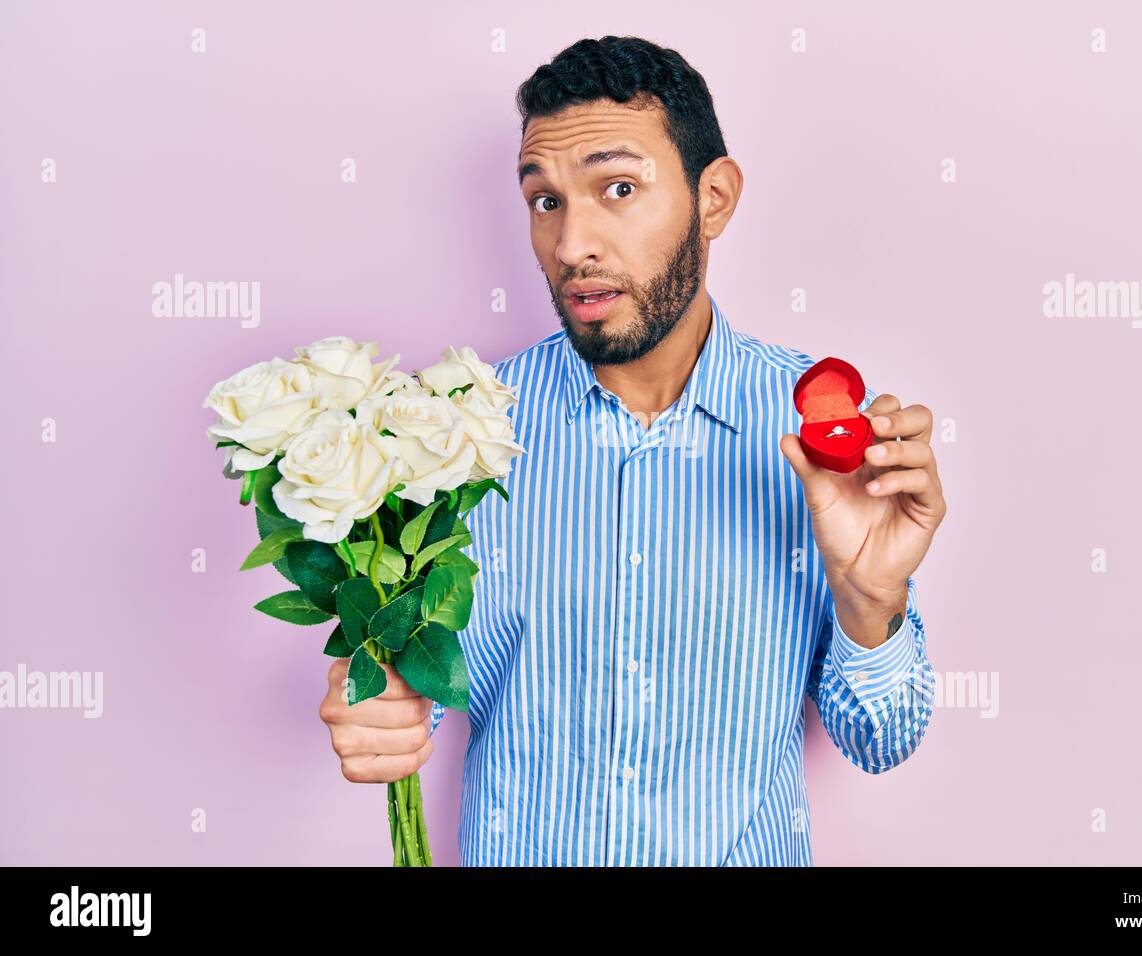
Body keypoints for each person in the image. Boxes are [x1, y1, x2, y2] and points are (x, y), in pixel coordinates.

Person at [320, 34, 947, 866]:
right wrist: (377, 705)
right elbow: (409, 690)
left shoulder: (827, 440)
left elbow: (880, 739)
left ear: (713, 197)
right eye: (545, 200)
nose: (573, 242)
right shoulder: (455, 433)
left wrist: (871, 600)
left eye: (619, 188)